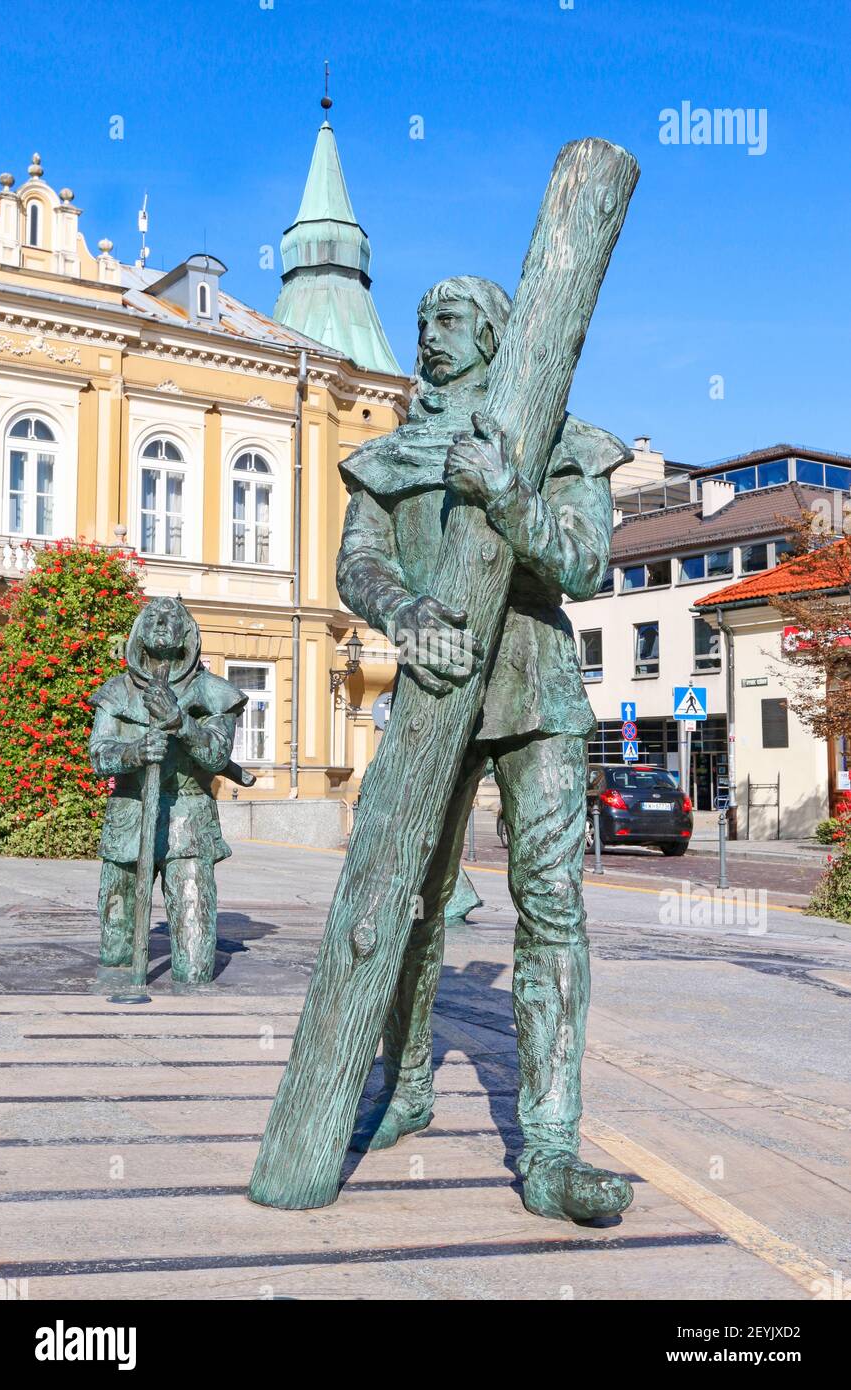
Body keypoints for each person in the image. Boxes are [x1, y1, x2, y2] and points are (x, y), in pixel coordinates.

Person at [335, 275, 634, 1221]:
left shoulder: (564, 443)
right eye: (423, 320)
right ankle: (408, 1083)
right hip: (432, 694)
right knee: (407, 902)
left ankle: (549, 1149)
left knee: (551, 909)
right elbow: (359, 563)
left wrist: (509, 491)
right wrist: (403, 612)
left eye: (451, 320)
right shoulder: (390, 454)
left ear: (499, 336)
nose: (429, 334)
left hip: (536, 692)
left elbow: (584, 567)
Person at [89, 597, 246, 985]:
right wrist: (133, 751)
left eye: (170, 617)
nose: (160, 622)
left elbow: (216, 756)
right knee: (116, 953)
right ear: (138, 633)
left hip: (188, 818)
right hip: (130, 814)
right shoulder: (115, 693)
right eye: (152, 617)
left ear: (187, 634)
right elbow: (99, 755)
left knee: (193, 966)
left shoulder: (215, 692)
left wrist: (181, 723)